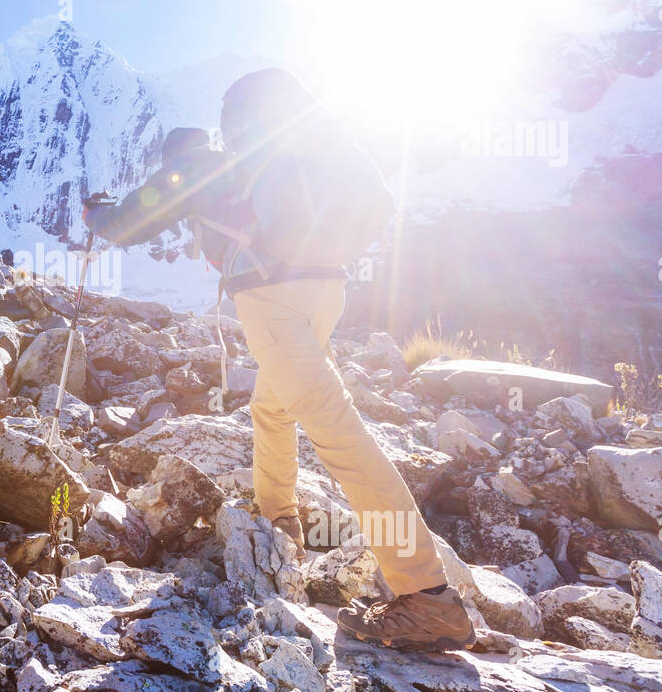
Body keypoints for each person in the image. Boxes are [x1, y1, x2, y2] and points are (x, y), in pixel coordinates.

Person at [83, 69, 475, 652]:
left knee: (336, 431)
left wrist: (97, 214)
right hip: (325, 291)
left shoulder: (193, 167)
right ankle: (278, 518)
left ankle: (426, 596)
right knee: (272, 407)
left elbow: (131, 219)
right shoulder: (257, 160)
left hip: (271, 300)